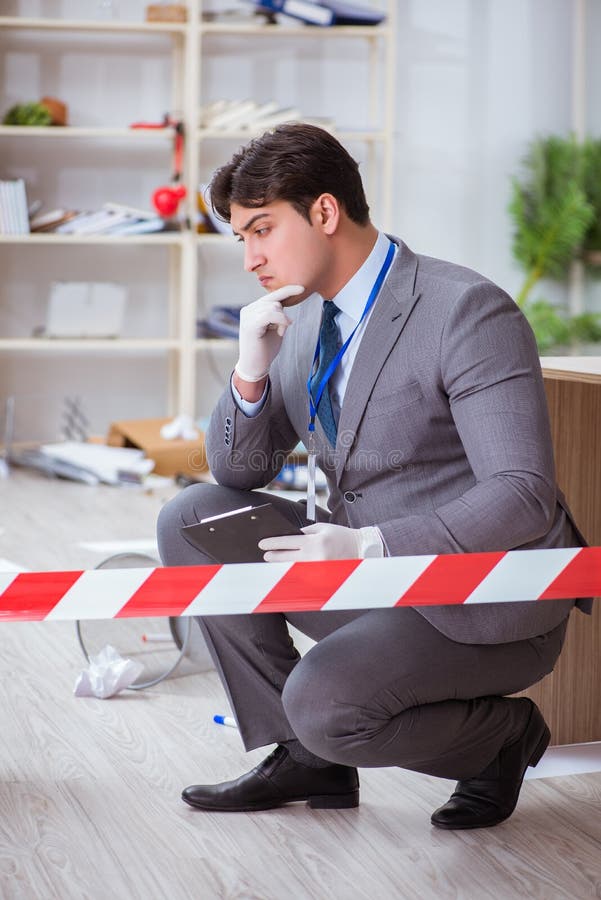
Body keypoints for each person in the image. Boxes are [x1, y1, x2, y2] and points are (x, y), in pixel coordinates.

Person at [157, 123, 590, 829]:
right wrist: (249, 371)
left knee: (324, 701)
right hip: (377, 581)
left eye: (261, 230)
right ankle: (305, 758)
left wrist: (370, 545)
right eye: (241, 238)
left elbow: (522, 493)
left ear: (325, 212)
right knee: (192, 517)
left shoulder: (463, 309)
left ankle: (500, 739)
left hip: (480, 594)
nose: (250, 257)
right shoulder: (300, 324)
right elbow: (237, 471)